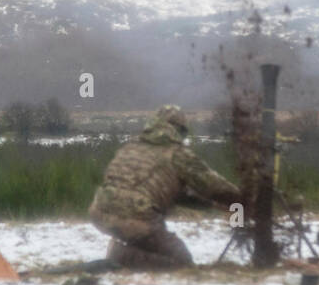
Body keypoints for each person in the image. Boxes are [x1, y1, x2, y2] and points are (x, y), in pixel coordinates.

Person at [88, 105, 242, 270]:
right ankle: (121, 255)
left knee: (148, 244)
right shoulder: (176, 153)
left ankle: (123, 254)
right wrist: (243, 198)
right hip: (137, 218)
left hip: (100, 213)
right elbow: (211, 185)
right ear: (179, 130)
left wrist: (213, 205)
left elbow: (176, 195)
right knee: (181, 261)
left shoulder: (130, 147)